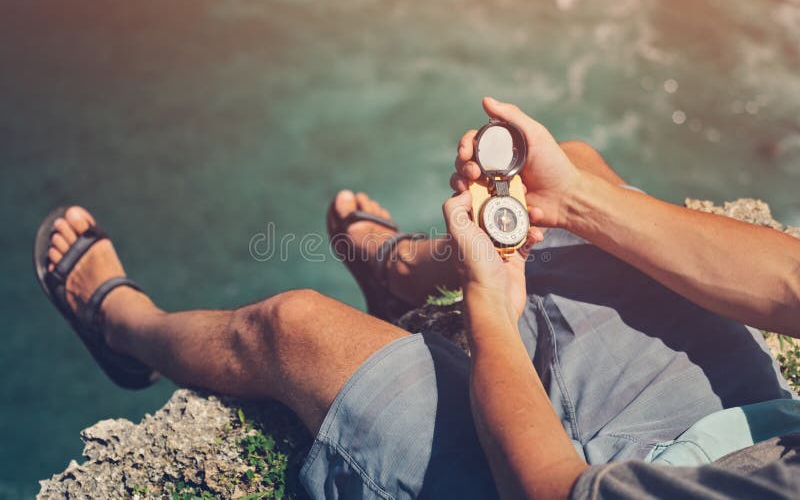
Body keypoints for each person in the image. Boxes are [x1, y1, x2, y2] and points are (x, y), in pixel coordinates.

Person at [34, 97, 800, 499]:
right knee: (574, 170)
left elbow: (552, 489)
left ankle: (121, 327)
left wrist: (489, 308)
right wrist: (575, 202)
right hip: (740, 432)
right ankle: (398, 274)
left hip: (564, 486)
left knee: (292, 327)